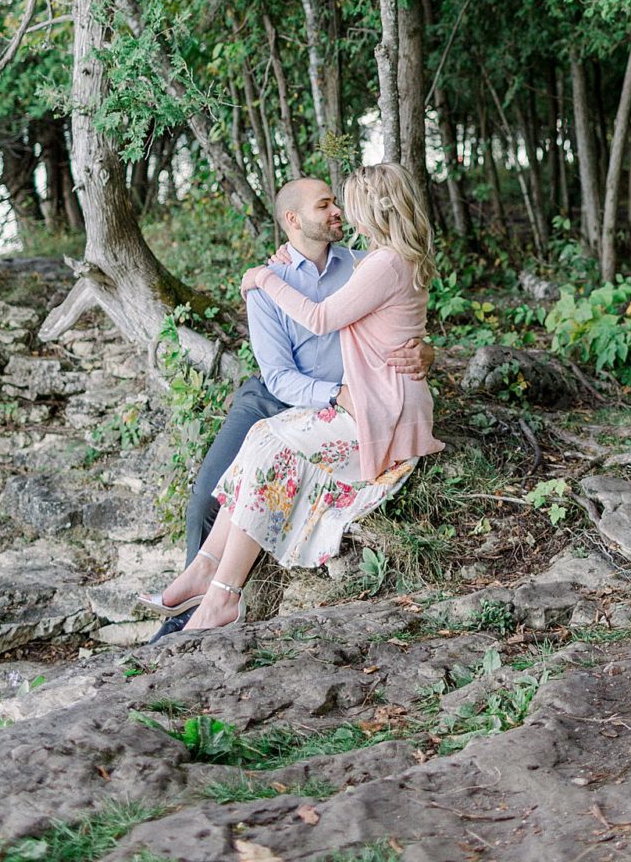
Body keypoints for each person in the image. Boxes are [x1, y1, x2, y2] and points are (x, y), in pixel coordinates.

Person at [162, 162, 443, 633]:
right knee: (209, 497)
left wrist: (425, 352)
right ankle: (199, 585)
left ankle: (219, 596)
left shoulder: (364, 263)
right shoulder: (304, 272)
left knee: (267, 451)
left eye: (342, 203)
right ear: (294, 220)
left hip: (360, 400)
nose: (339, 212)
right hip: (281, 396)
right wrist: (269, 284)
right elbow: (278, 377)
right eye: (326, 204)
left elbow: (359, 321)